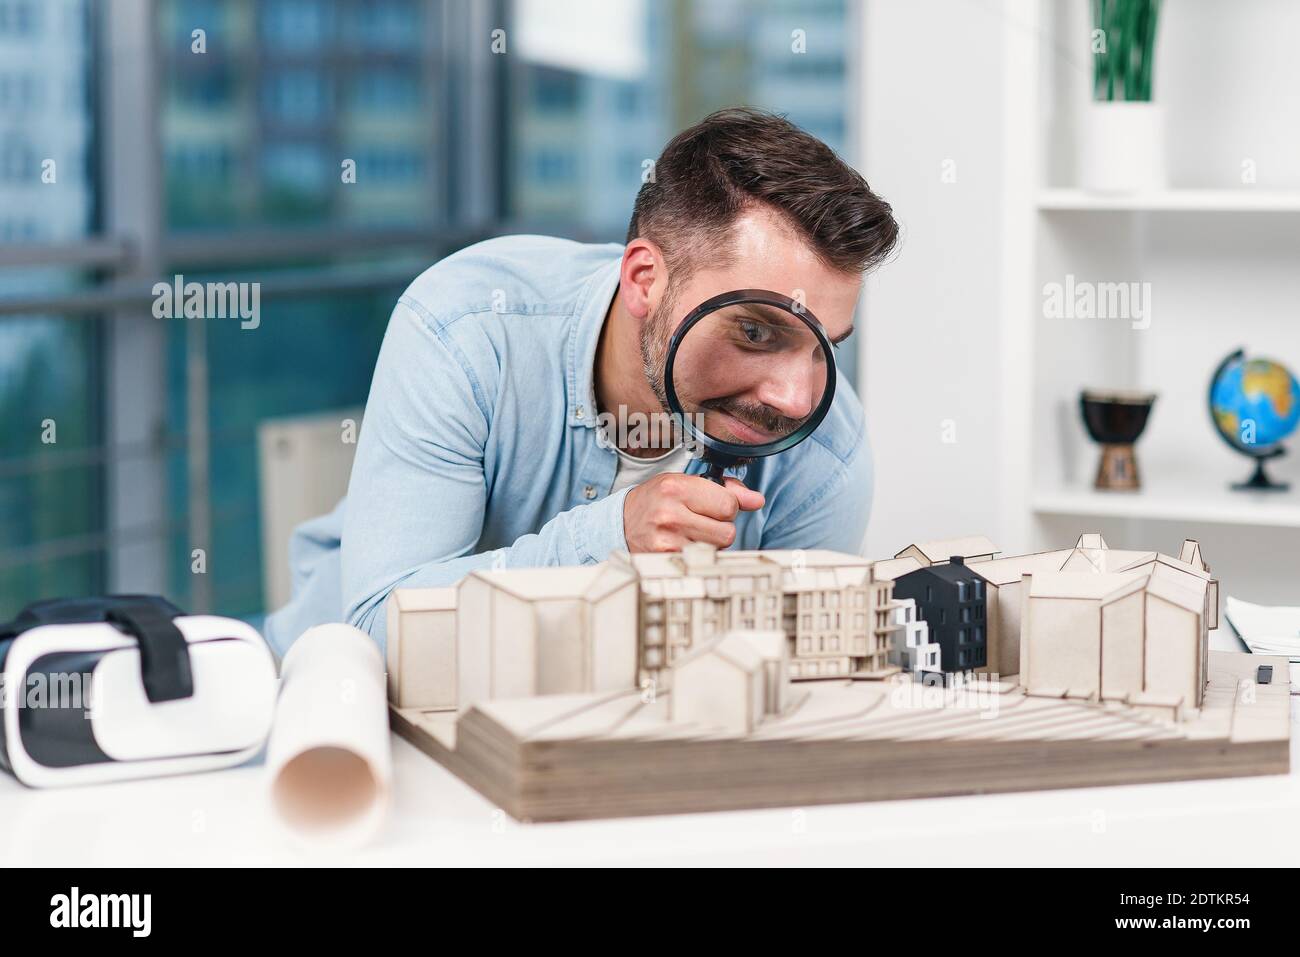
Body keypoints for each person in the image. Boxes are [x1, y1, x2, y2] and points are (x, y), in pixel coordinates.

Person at [264, 108, 898, 655]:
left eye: (823, 348)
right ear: (645, 279)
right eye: (755, 333)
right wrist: (610, 540)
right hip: (331, 717)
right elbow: (382, 628)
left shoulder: (827, 449)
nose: (794, 397)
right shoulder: (470, 329)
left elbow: (794, 681)